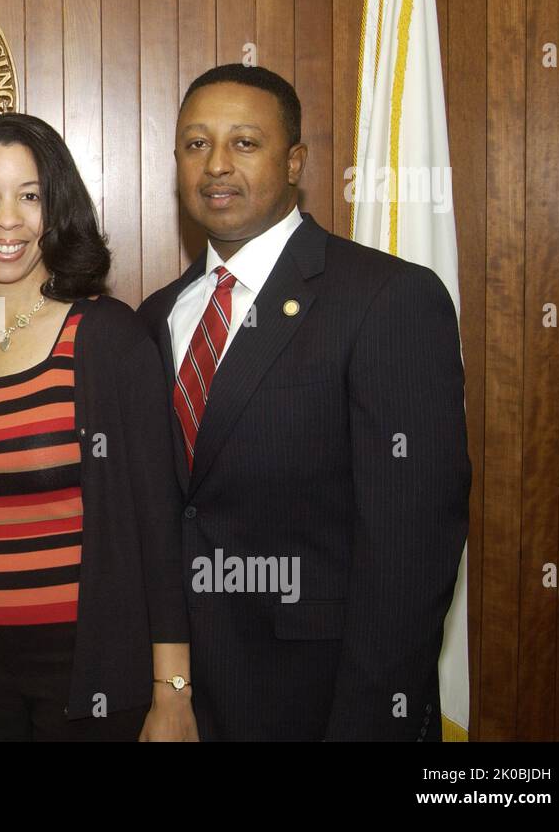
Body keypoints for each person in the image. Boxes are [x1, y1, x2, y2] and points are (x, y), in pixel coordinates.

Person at [135, 64, 469, 739]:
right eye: (196, 144)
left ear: (294, 162)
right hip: (184, 708)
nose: (217, 165)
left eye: (245, 143)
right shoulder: (157, 316)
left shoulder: (387, 299)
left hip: (324, 706)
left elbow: (410, 554)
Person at [0, 113, 197, 741]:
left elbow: (158, 521)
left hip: (91, 663)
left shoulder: (106, 338)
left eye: (30, 196)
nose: (7, 219)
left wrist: (172, 692)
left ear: (56, 209)